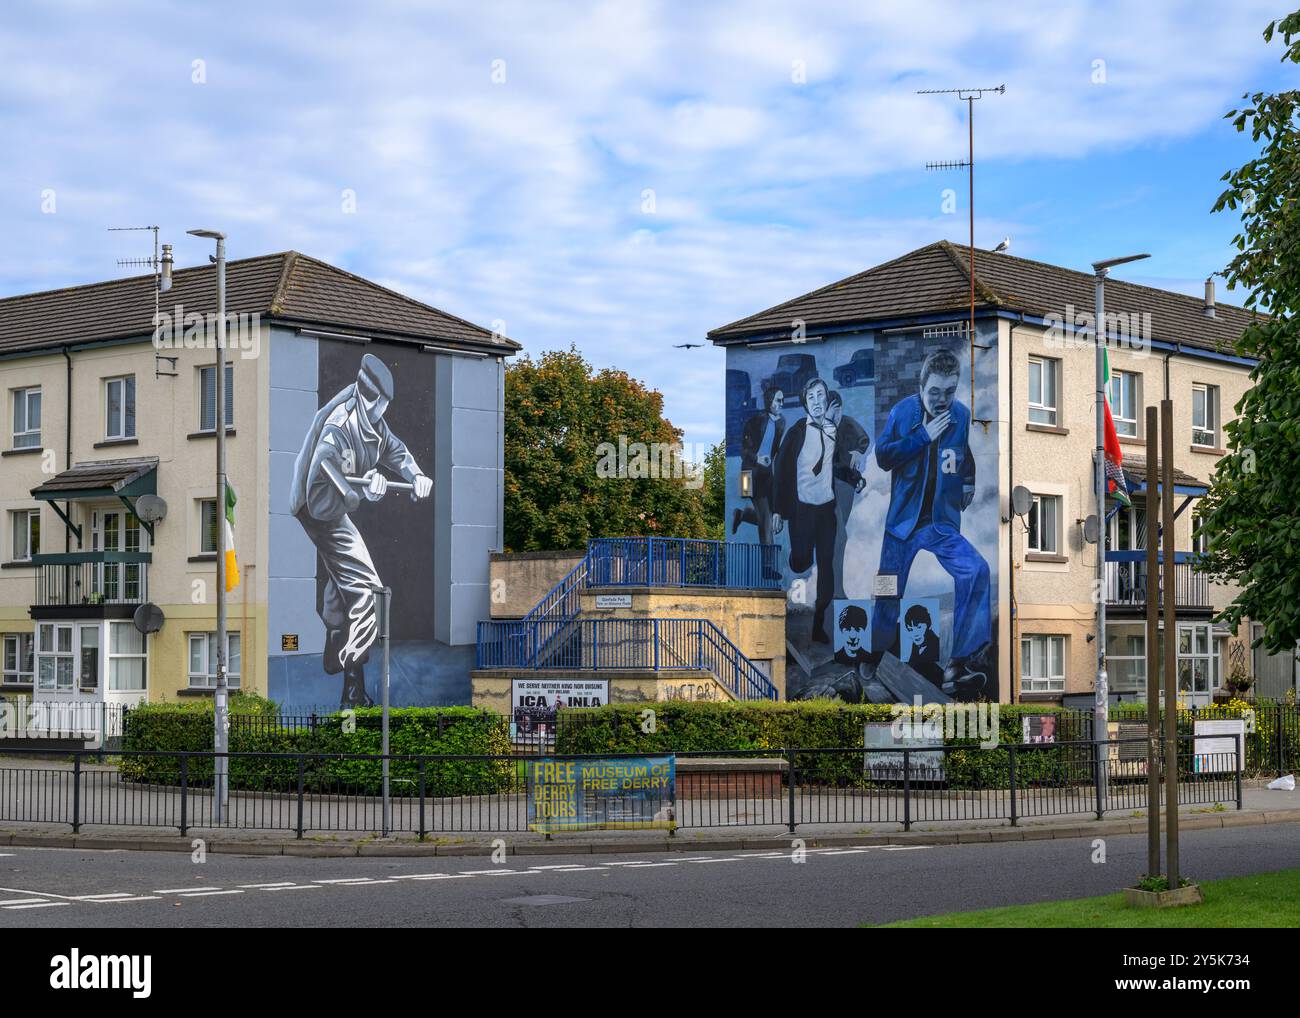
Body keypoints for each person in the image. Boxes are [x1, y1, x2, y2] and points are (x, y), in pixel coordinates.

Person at [289, 353, 433, 707]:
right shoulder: (339, 427)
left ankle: (335, 640)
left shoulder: (370, 420)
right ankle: (352, 691)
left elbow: (394, 449)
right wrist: (361, 491)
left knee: (345, 579)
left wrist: (415, 475)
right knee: (368, 590)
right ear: (378, 400)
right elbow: (322, 477)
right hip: (319, 508)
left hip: (333, 507)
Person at [870, 348, 991, 695]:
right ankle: (874, 656)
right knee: (888, 591)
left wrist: (968, 481)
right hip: (903, 524)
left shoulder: (961, 415)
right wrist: (923, 436)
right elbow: (883, 457)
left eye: (949, 392)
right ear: (922, 386)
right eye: (934, 392)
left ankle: (962, 660)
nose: (941, 400)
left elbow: (964, 453)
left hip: (940, 523)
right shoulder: (903, 412)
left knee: (977, 569)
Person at [772, 377, 838, 643]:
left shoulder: (834, 429)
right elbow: (780, 471)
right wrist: (778, 510)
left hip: (826, 512)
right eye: (811, 397)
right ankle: (799, 557)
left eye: (820, 396)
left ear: (826, 398)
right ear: (805, 404)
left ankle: (819, 624)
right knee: (801, 561)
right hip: (802, 510)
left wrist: (855, 477)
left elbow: (835, 463)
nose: (817, 402)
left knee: (826, 565)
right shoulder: (797, 432)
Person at [826, 391, 870, 599]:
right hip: (829, 487)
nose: (835, 415)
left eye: (837, 410)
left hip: (846, 484)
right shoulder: (822, 429)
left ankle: (835, 586)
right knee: (838, 536)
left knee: (839, 533)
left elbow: (864, 440)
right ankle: (835, 589)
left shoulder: (848, 424)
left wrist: (860, 454)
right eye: (831, 411)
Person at [732, 387, 785, 549]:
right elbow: (744, 451)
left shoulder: (781, 422)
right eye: (778, 400)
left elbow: (775, 451)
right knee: (767, 519)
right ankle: (767, 565)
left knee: (768, 517)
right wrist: (758, 458)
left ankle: (743, 515)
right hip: (747, 475)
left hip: (766, 475)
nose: (781, 404)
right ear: (769, 401)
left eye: (782, 400)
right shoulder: (756, 420)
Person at [901, 603, 944, 688]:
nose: (915, 634)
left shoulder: (936, 645)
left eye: (919, 627)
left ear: (928, 625)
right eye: (910, 629)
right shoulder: (916, 645)